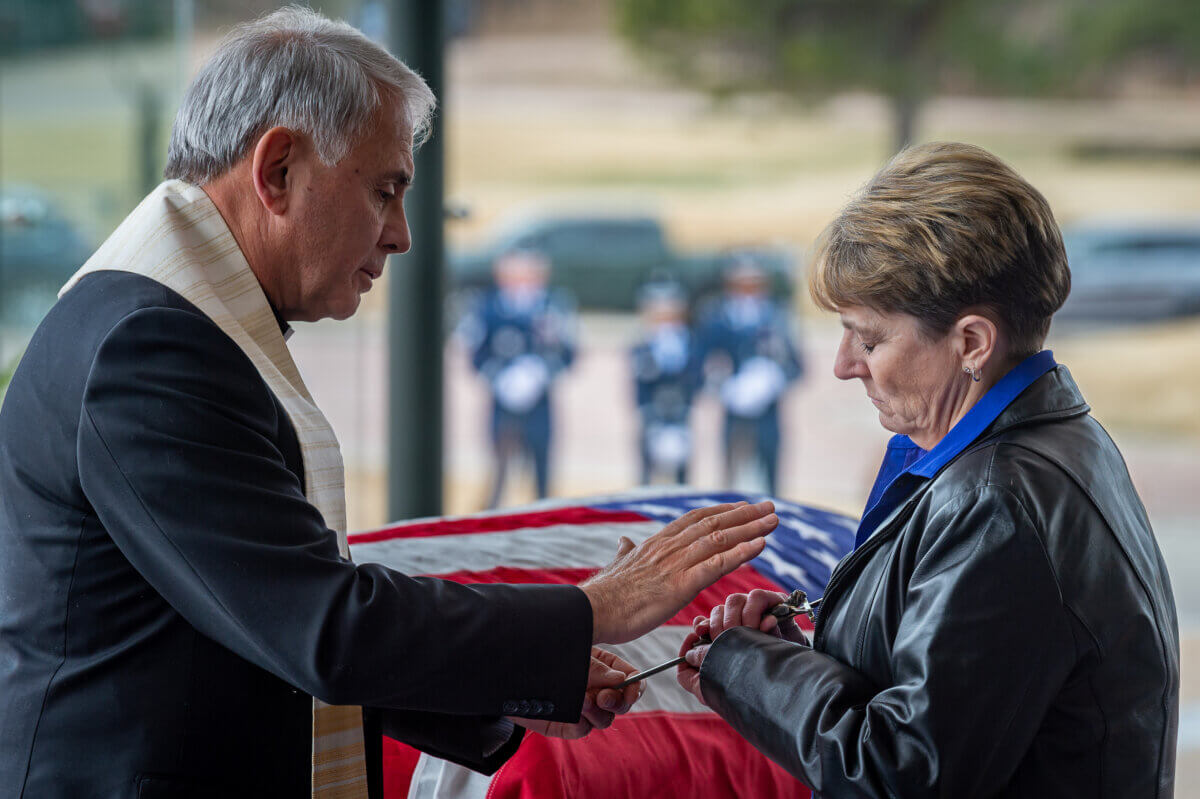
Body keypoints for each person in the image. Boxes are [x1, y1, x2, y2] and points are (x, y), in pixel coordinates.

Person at [0, 9, 780, 799]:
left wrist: (517, 680)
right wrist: (593, 608)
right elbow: (316, 623)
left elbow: (252, 616)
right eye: (384, 190)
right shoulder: (153, 347)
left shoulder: (163, 321)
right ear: (278, 170)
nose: (401, 234)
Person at [676, 142, 1180, 797]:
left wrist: (744, 666)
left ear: (971, 342)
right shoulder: (1052, 441)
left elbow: (903, 772)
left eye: (869, 338)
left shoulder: (997, 503)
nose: (844, 365)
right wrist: (788, 656)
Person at [459, 249, 575, 508]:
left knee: (541, 471)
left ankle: (543, 514)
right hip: (502, 405)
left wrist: (541, 372)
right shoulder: (487, 307)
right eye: (515, 276)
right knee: (499, 469)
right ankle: (491, 516)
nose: (522, 282)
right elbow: (476, 354)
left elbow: (568, 353)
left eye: (529, 275)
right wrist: (499, 378)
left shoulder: (554, 306)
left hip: (540, 405)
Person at [695, 254, 803, 495]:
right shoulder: (716, 318)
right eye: (741, 284)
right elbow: (700, 363)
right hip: (733, 415)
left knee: (769, 484)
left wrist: (773, 380)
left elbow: (796, 366)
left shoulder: (777, 317)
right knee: (731, 480)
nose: (748, 291)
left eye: (754, 283)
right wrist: (723, 386)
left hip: (768, 416)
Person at [630, 280, 698, 485]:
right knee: (647, 467)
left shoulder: (690, 343)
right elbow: (639, 382)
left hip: (680, 411)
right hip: (653, 413)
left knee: (682, 468)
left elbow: (695, 376)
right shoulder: (642, 345)